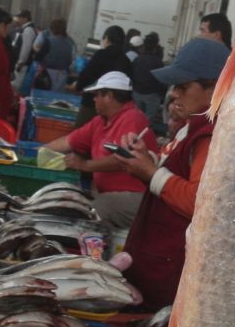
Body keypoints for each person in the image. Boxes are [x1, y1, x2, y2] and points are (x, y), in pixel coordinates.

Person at [114, 37, 229, 308]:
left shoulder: (211, 136)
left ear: (215, 88)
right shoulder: (192, 125)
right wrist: (146, 158)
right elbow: (177, 168)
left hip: (169, 268)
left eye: (183, 86)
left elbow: (198, 201)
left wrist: (150, 173)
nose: (174, 93)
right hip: (154, 258)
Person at [40, 70, 156, 234]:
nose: (94, 99)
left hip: (138, 196)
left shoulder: (133, 118)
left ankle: (96, 250)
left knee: (92, 212)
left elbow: (124, 159)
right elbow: (68, 141)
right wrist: (37, 151)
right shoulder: (100, 121)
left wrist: (85, 165)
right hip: (108, 194)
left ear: (109, 96)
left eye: (97, 95)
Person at [130, 31, 168, 133]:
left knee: (135, 119)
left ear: (143, 46)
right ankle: (142, 137)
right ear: (155, 47)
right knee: (147, 123)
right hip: (152, 95)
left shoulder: (137, 59)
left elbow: (131, 75)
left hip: (137, 92)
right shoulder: (158, 62)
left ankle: (132, 134)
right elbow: (162, 80)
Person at [35, 17, 75, 91]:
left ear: (52, 29)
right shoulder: (70, 43)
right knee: (57, 95)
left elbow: (38, 57)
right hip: (62, 75)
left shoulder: (49, 41)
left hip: (47, 75)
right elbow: (71, 61)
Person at [11, 8, 38, 91]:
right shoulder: (24, 28)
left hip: (22, 65)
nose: (18, 19)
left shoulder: (28, 30)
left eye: (20, 17)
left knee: (15, 85)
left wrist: (21, 61)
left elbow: (26, 47)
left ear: (26, 18)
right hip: (19, 63)